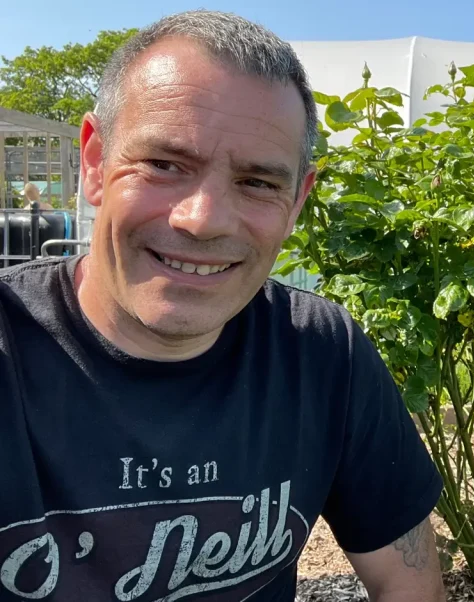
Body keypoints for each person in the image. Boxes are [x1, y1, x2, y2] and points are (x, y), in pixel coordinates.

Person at [0, 10, 446, 602]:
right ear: (95, 161)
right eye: (164, 165)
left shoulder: (321, 354)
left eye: (258, 182)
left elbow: (408, 582)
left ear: (297, 201)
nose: (203, 219)